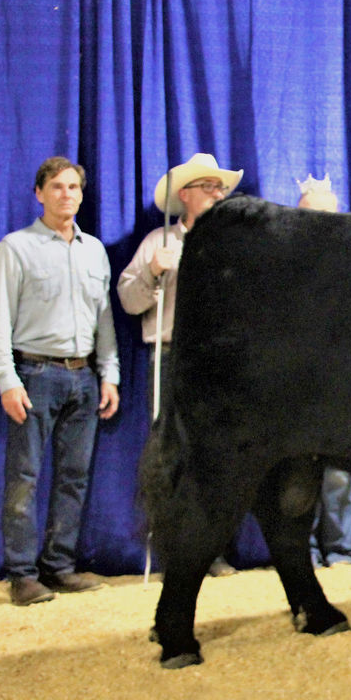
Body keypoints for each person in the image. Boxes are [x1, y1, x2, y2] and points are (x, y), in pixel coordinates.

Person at [0, 156, 120, 605]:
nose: (67, 195)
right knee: (24, 475)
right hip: (34, 374)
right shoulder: (16, 247)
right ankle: (22, 574)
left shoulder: (94, 250)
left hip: (83, 376)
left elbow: (104, 319)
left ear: (82, 195)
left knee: (74, 477)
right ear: (38, 193)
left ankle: (58, 565)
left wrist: (110, 375)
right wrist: (6, 379)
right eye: (57, 187)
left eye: (74, 187)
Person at [117, 153, 243, 577]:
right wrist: (153, 271)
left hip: (220, 360)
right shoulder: (160, 243)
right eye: (208, 186)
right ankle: (173, 550)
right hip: (172, 357)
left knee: (217, 456)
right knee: (172, 454)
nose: (217, 193)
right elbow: (130, 301)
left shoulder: (232, 245)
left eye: (220, 187)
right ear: (185, 195)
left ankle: (214, 552)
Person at [296, 173, 351, 567]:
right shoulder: (285, 266)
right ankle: (304, 551)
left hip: (340, 381)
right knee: (298, 472)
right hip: (300, 382)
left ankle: (341, 549)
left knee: (339, 472)